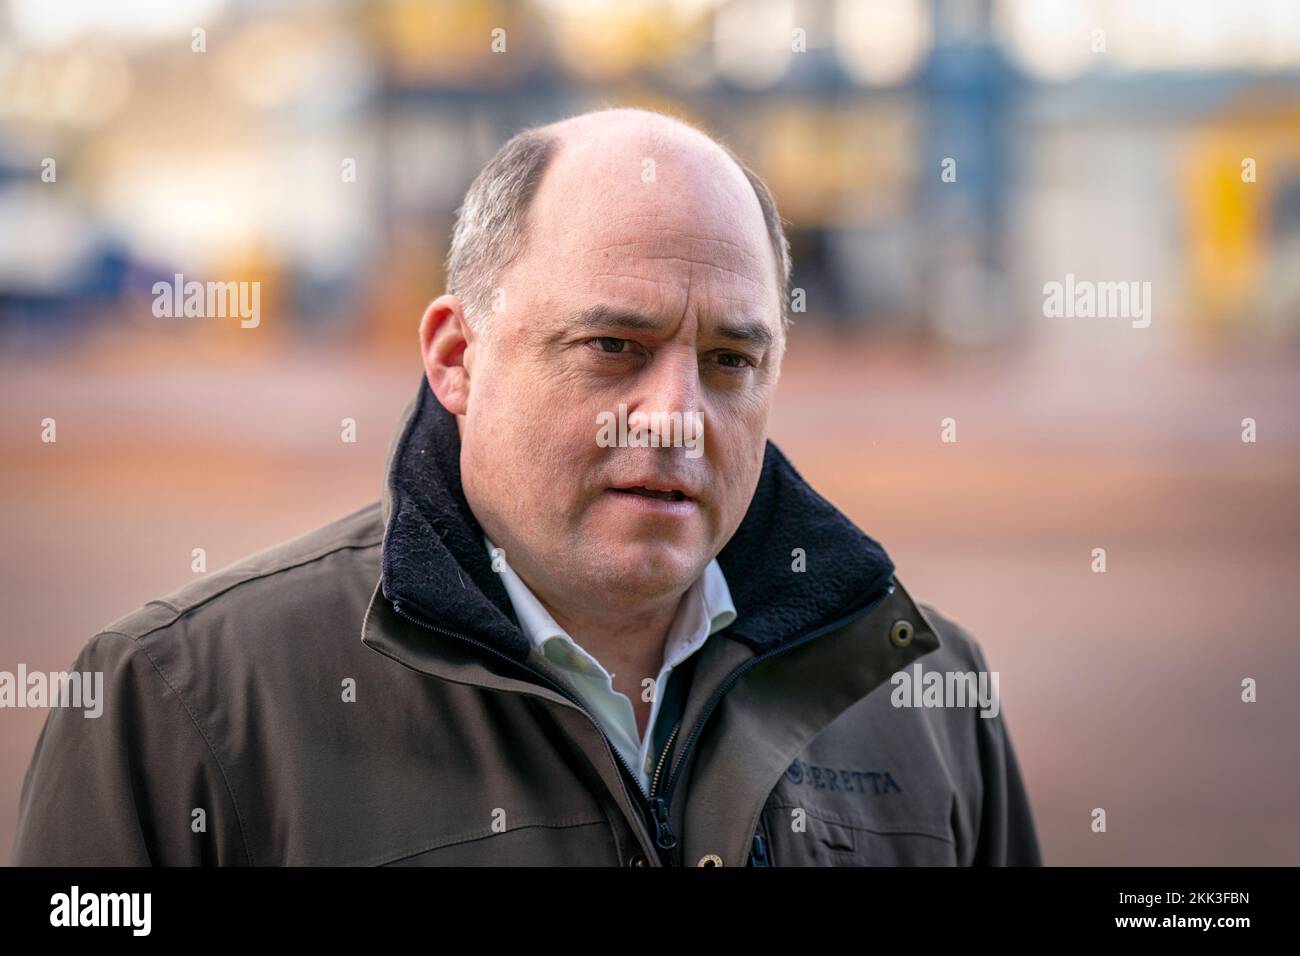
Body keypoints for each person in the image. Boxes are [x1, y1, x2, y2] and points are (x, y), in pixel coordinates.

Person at [12, 107, 1040, 866]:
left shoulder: (922, 690)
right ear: (457, 356)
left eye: (731, 360)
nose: (675, 413)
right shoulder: (180, 705)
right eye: (612, 345)